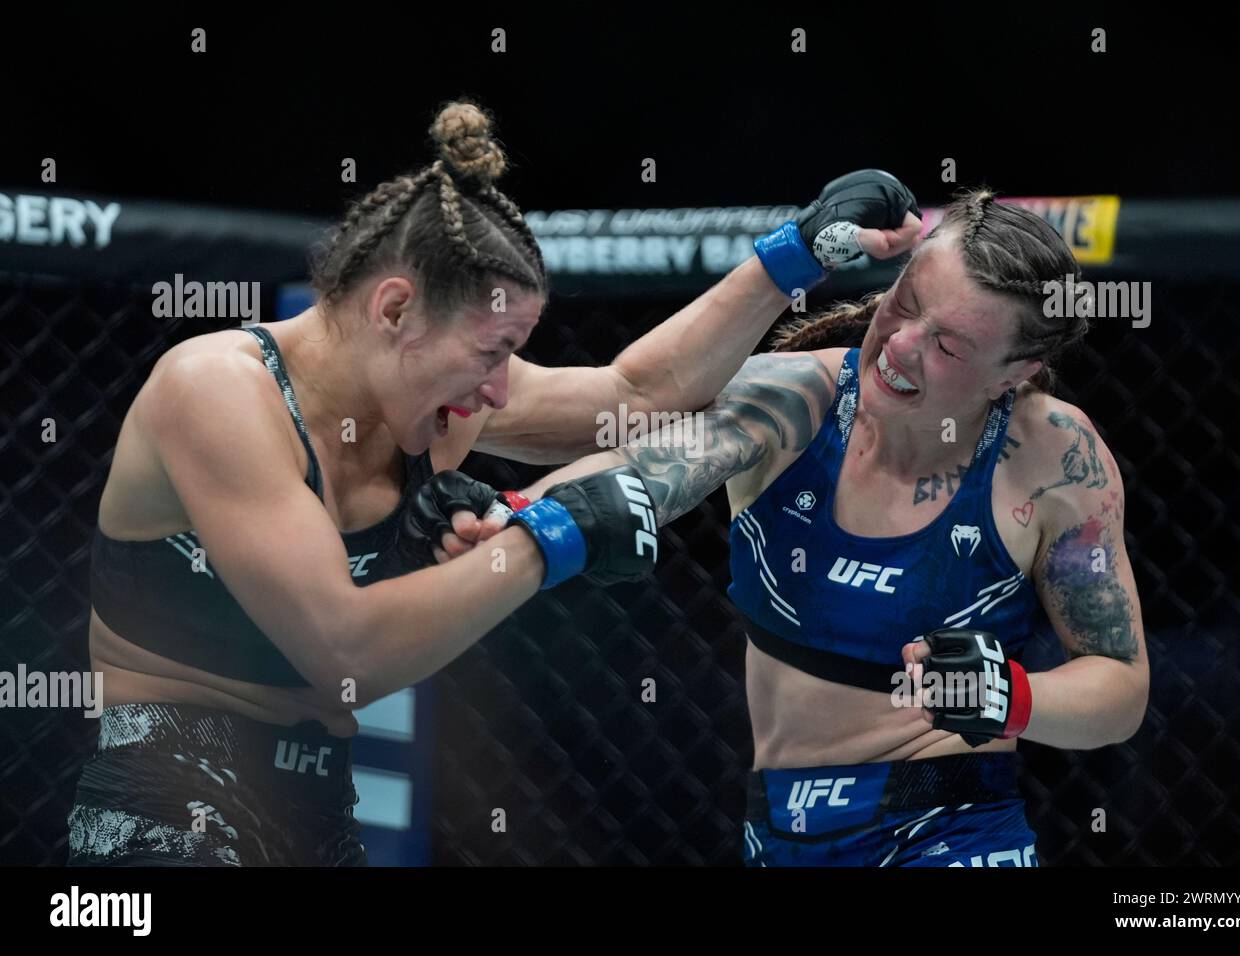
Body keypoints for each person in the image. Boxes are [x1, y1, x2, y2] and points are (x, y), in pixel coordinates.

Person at [67, 99, 922, 865]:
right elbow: (342, 652)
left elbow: (636, 396)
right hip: (166, 779)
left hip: (315, 795)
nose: (497, 391)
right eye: (489, 352)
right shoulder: (216, 391)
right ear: (395, 310)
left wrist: (792, 258)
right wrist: (546, 536)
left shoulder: (441, 406)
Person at [477, 188, 1149, 867]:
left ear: (1017, 371)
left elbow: (1120, 687)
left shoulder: (1053, 460)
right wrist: (514, 520)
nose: (901, 344)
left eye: (947, 344)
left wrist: (1013, 695)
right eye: (907, 303)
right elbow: (639, 468)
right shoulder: (795, 400)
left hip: (954, 828)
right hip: (779, 832)